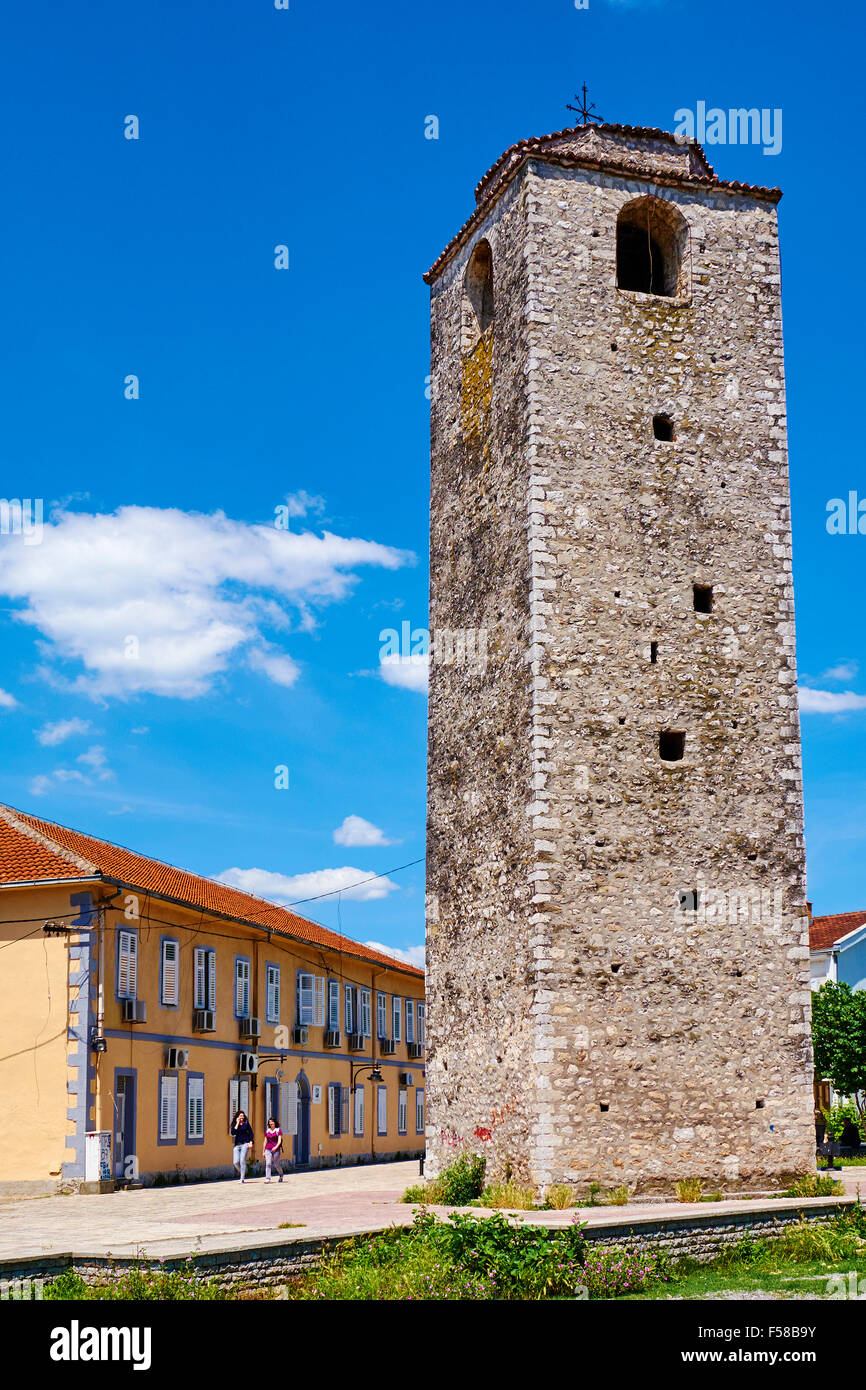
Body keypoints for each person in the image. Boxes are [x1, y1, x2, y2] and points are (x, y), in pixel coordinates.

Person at [230, 1109, 254, 1182]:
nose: (242, 1117)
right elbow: (233, 1133)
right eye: (240, 1116)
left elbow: (251, 1133)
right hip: (237, 1145)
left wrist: (251, 1142)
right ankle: (242, 1173)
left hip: (245, 1144)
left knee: (242, 1160)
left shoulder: (246, 1123)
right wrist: (237, 1123)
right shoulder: (234, 1124)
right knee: (236, 1162)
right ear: (237, 1116)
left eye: (243, 1116)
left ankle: (242, 1178)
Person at [262, 1116, 284, 1183]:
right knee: (268, 1163)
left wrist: (276, 1147)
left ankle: (281, 1174)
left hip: (276, 1149)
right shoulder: (267, 1131)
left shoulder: (278, 1130)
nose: (270, 1124)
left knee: (276, 1164)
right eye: (269, 1123)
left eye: (272, 1123)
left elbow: (279, 1141)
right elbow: (265, 1141)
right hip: (268, 1149)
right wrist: (263, 1151)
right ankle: (268, 1178)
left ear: (275, 1123)